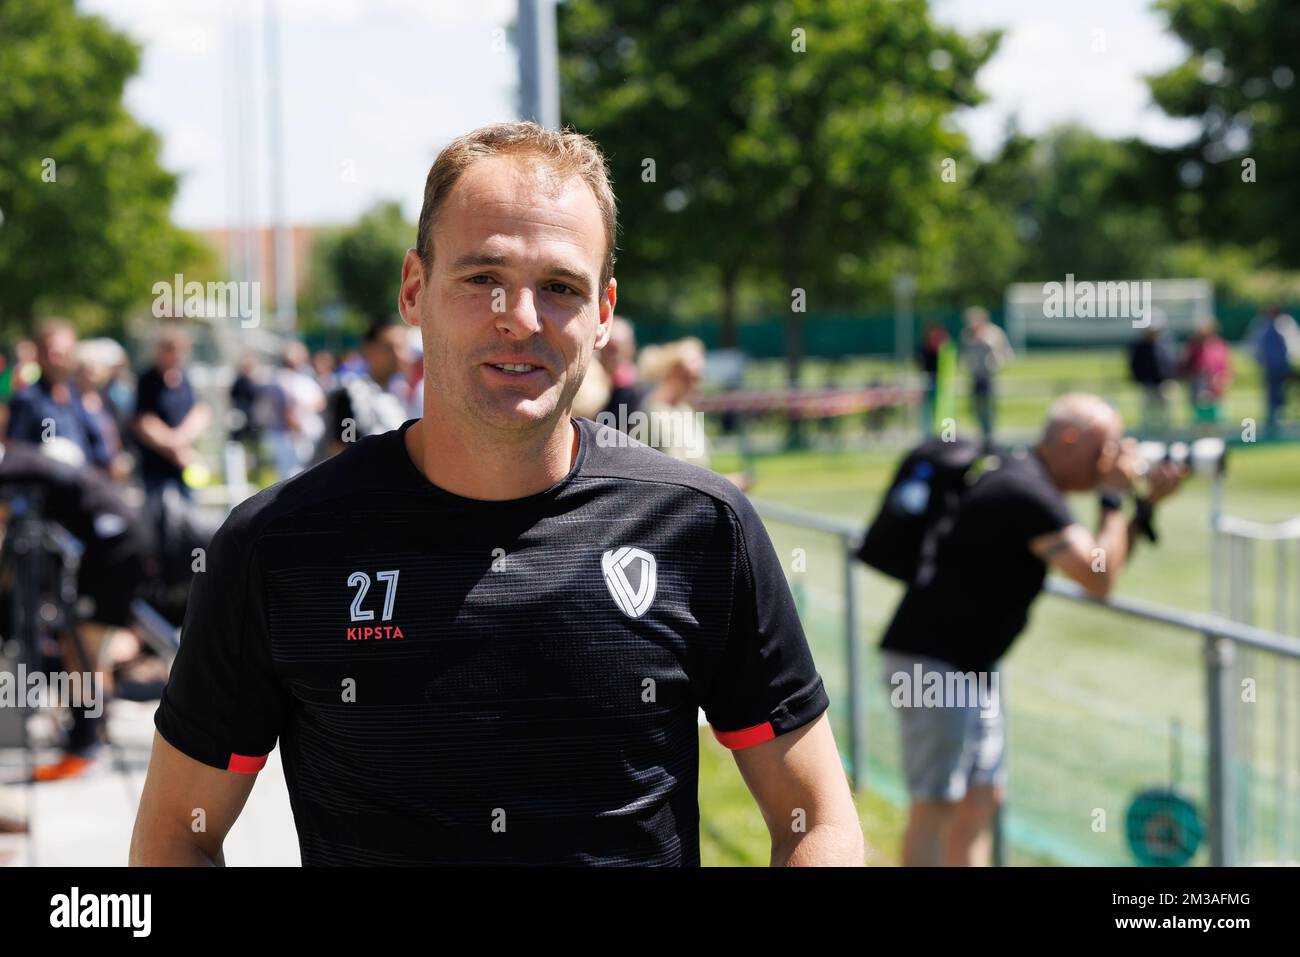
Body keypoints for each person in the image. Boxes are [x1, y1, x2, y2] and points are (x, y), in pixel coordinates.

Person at [131, 121, 862, 867]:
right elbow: (176, 835)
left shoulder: (701, 526)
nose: (521, 317)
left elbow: (818, 821)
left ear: (603, 312)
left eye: (560, 287)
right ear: (415, 289)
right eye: (483, 278)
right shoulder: (277, 545)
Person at [877, 393, 1184, 866]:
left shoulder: (1023, 478)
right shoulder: (1025, 490)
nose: (1114, 458)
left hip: (966, 662)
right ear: (1068, 437)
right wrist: (1114, 497)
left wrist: (1139, 511)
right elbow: (1098, 577)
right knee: (936, 805)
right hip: (933, 662)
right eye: (1106, 445)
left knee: (982, 798)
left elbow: (1100, 566)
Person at [0, 435, 152, 780]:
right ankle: (90, 736)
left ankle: (84, 745)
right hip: (115, 544)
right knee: (86, 652)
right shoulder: (28, 464)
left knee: (84, 653)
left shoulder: (14, 467)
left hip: (115, 549)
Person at [5, 319, 111, 471]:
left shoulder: (76, 396)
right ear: (40, 355)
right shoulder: (28, 399)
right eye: (51, 352)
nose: (56, 359)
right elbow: (14, 452)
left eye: (64, 353)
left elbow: (94, 447)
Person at [131, 323, 210, 502]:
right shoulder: (147, 380)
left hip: (186, 464)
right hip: (156, 467)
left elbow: (200, 411)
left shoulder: (185, 378)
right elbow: (144, 422)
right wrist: (174, 447)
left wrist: (182, 441)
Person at [315, 317, 412, 460]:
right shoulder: (350, 394)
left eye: (402, 347)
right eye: (390, 348)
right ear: (369, 349)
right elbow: (343, 454)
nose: (398, 355)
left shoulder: (400, 393)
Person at [960, 306, 1012, 447]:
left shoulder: (994, 333)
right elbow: (964, 355)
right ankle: (982, 431)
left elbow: (1004, 353)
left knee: (989, 405)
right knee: (975, 406)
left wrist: (988, 348)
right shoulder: (967, 334)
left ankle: (991, 434)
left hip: (990, 375)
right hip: (975, 376)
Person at [1249, 304, 1299, 435]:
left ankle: (1284, 414)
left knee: (1286, 392)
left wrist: (1292, 360)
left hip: (1284, 365)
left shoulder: (1285, 323)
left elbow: (1293, 343)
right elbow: (1256, 344)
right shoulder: (1261, 324)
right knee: (1272, 393)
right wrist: (1258, 361)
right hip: (1269, 366)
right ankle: (1273, 418)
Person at [1127, 310, 1178, 435]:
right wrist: (1140, 379)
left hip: (1164, 383)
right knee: (1148, 413)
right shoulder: (1139, 345)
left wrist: (1171, 377)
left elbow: (1171, 362)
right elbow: (1135, 365)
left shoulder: (1166, 342)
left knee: (1166, 414)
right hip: (1148, 384)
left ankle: (1166, 434)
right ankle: (1148, 435)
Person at [1181, 317, 1232, 429]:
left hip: (1215, 384)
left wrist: (1222, 379)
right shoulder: (1193, 346)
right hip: (1198, 383)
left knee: (1214, 415)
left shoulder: (1219, 345)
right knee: (1199, 415)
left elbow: (1225, 366)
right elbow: (1186, 365)